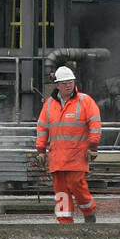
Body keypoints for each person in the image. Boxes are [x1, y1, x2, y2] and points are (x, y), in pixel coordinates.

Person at [35, 65, 101, 225]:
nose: (68, 85)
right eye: (64, 82)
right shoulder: (49, 105)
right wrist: (41, 150)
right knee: (61, 192)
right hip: (57, 157)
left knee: (76, 184)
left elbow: (95, 124)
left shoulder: (85, 101)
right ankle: (65, 223)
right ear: (57, 85)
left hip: (77, 155)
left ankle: (88, 211)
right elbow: (42, 128)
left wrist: (93, 147)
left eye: (70, 82)